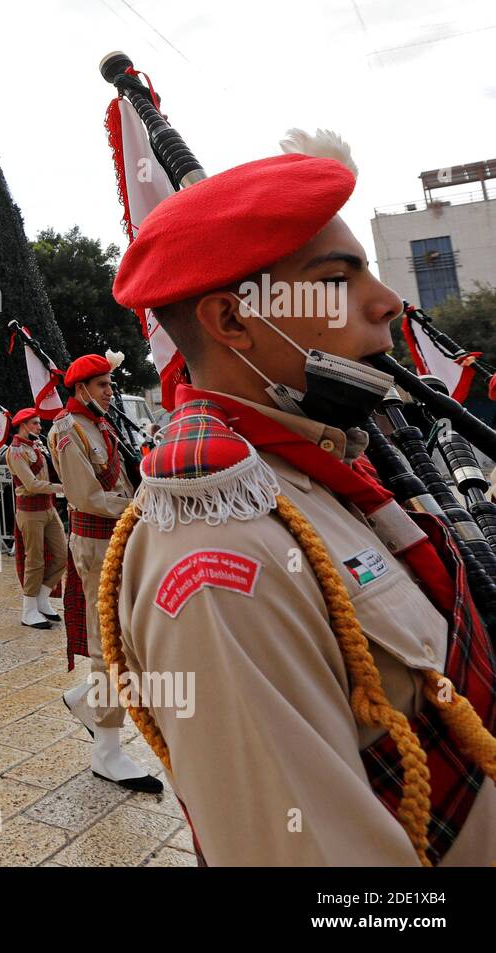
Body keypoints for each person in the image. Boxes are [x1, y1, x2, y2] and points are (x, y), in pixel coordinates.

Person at [103, 133, 496, 864]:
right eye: (339, 279)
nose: (385, 304)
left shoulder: (328, 461)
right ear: (233, 322)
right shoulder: (218, 553)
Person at [46, 358, 161, 794]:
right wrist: (140, 508)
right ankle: (107, 752)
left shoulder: (104, 424)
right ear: (79, 389)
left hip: (120, 536)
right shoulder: (66, 432)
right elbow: (86, 496)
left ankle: (82, 701)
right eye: (101, 384)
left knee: (124, 636)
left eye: (110, 384)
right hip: (96, 543)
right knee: (108, 644)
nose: (110, 391)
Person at [4, 409, 66, 629]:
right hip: (30, 511)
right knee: (35, 560)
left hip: (48, 508)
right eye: (36, 423)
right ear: (23, 425)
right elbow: (30, 485)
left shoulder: (35, 446)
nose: (40, 427)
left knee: (62, 555)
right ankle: (28, 609)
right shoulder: (16, 451)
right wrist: (64, 488)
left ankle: (42, 598)